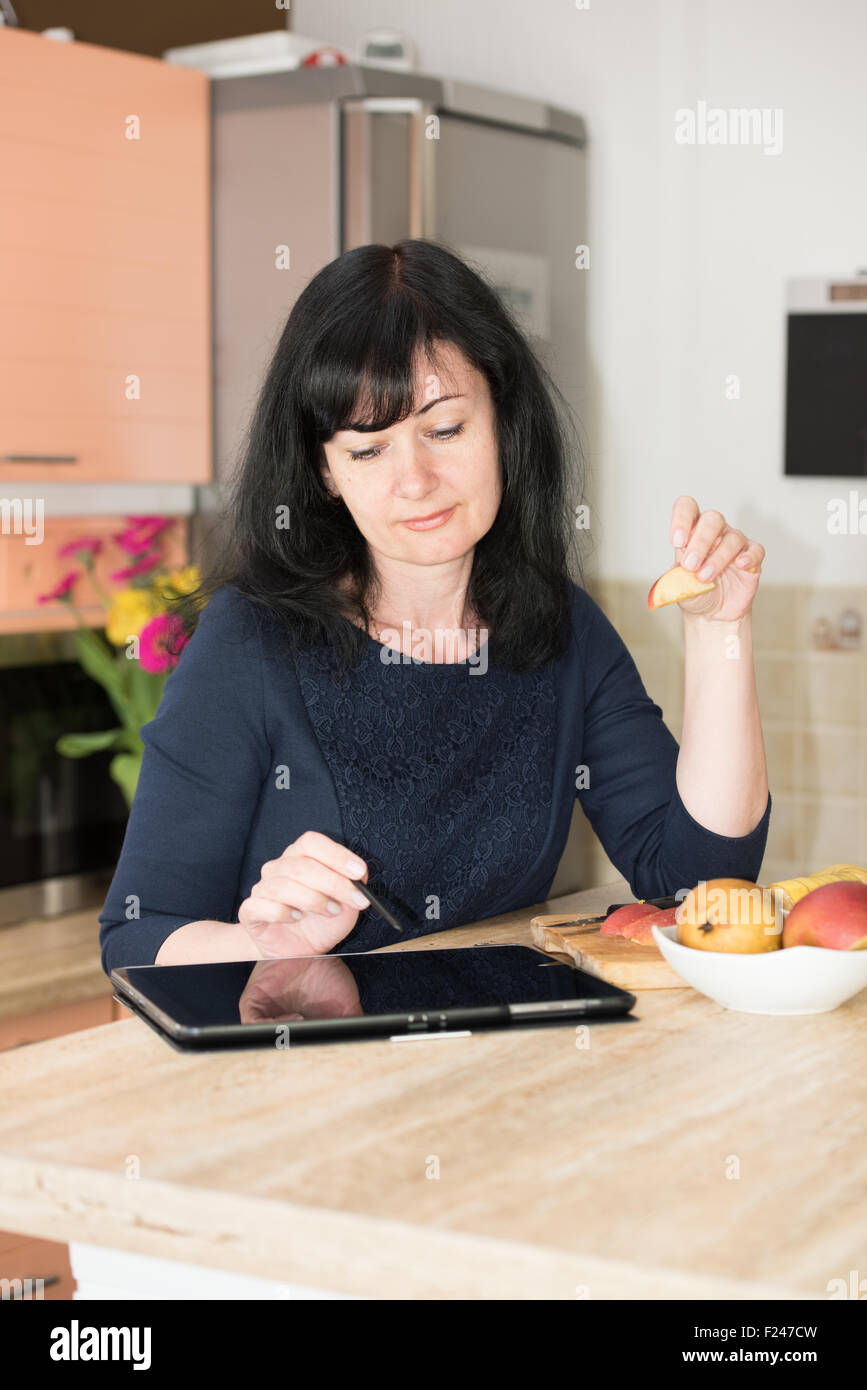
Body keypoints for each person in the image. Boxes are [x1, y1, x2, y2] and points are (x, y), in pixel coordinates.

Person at [98, 239, 771, 973]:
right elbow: (136, 937)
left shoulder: (561, 628)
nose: (414, 480)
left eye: (444, 429)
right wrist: (258, 947)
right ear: (323, 471)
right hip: (303, 1073)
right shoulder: (251, 642)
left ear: (503, 424)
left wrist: (720, 633)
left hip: (488, 1073)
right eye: (366, 450)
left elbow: (697, 884)